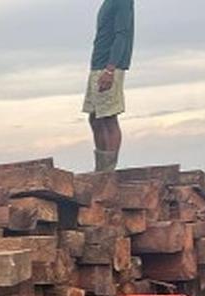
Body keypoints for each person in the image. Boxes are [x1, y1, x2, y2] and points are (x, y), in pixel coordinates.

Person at [83, 0, 134, 172]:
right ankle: (101, 168)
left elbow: (123, 35)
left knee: (109, 118)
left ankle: (108, 171)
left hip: (109, 66)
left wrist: (110, 69)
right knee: (95, 118)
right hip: (98, 65)